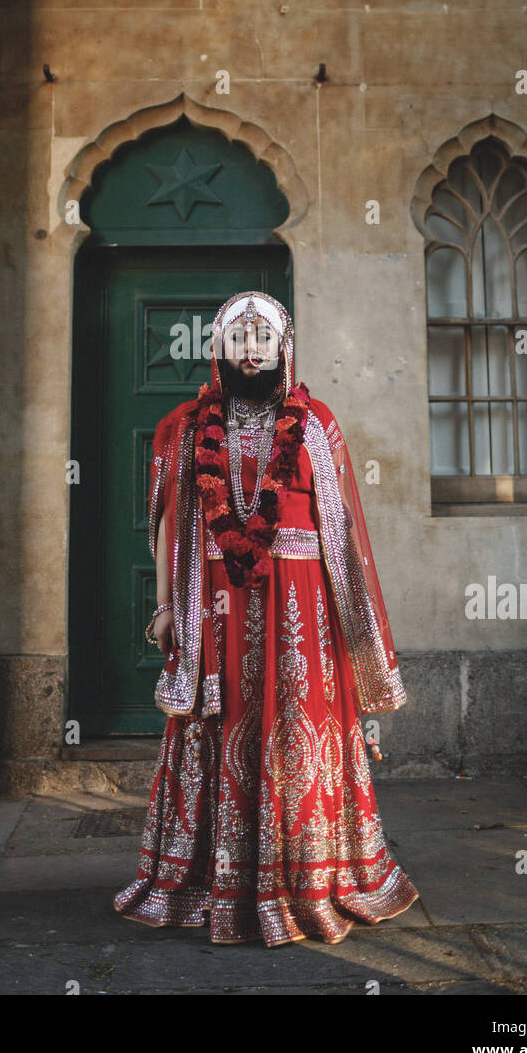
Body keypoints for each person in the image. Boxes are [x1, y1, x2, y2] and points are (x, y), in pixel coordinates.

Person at [113, 290, 419, 946]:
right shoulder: (184, 429)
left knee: (297, 728)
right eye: (238, 337)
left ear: (284, 349)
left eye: (263, 338)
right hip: (215, 610)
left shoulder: (315, 425)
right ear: (217, 349)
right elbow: (170, 524)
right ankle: (208, 882)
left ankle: (308, 882)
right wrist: (166, 606)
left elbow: (340, 533)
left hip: (303, 609)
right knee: (220, 729)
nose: (251, 349)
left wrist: (351, 627)